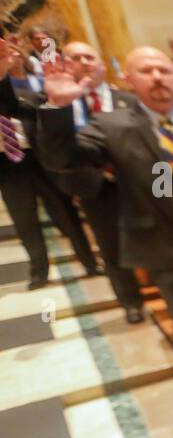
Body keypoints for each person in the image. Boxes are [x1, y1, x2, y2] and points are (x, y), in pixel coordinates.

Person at [37, 46, 173, 434]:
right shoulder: (113, 125)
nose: (158, 78)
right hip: (167, 248)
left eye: (165, 70)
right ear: (129, 80)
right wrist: (57, 108)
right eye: (147, 71)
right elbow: (63, 159)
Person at [39, 40, 145, 319]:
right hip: (94, 187)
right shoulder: (58, 102)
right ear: (65, 64)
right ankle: (131, 302)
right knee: (112, 248)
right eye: (76, 57)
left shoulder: (130, 100)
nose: (84, 62)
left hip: (136, 184)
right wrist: (58, 105)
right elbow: (55, 152)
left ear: (101, 64)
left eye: (89, 57)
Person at [0, 42, 102, 288]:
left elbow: (16, 107)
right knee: (25, 221)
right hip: (7, 165)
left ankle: (89, 262)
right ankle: (39, 272)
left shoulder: (25, 93)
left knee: (65, 213)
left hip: (39, 159)